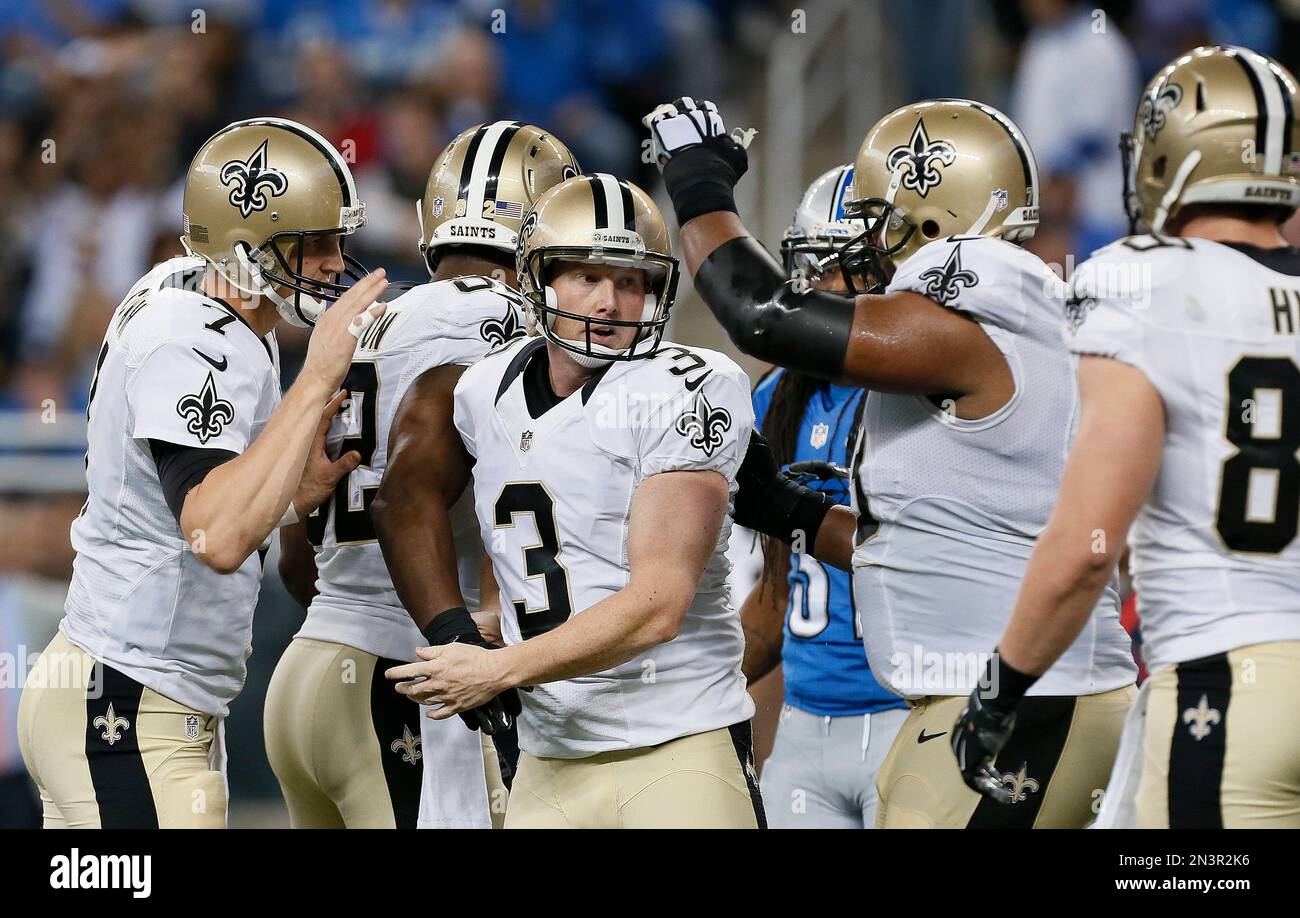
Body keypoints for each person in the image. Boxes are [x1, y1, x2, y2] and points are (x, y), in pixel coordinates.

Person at [643, 96, 1136, 827]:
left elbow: (761, 314)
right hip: (995, 696)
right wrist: (791, 510)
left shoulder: (976, 316)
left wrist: (697, 180)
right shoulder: (998, 322)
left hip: (1022, 698)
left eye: (880, 218)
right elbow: (930, 540)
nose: (867, 245)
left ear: (938, 214)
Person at [955, 45, 1300, 829]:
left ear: (1172, 153)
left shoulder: (1142, 280)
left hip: (1227, 680)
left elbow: (1089, 543)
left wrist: (1002, 688)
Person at [17, 117, 388, 828]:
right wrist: (316, 378)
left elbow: (190, 501)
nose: (332, 264)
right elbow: (214, 537)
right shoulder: (195, 338)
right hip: (129, 705)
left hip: (120, 694)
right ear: (244, 248)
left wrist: (290, 495)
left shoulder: (202, 297)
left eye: (338, 242)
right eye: (312, 244)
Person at [383, 173, 765, 829]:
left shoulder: (684, 387)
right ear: (539, 279)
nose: (610, 302)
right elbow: (512, 531)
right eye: (587, 276)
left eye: (631, 281)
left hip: (675, 747)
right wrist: (500, 617)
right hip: (549, 759)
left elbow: (658, 606)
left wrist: (502, 668)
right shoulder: (483, 390)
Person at [266, 121, 579, 829]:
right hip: (409, 683)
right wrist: (458, 638)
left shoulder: (367, 320)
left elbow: (297, 557)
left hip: (309, 669)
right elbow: (413, 495)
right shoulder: (505, 321)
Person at [742, 164, 906, 829]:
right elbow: (779, 583)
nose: (824, 286)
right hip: (806, 724)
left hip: (914, 709)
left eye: (849, 267)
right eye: (816, 266)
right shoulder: (775, 396)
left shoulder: (925, 395)